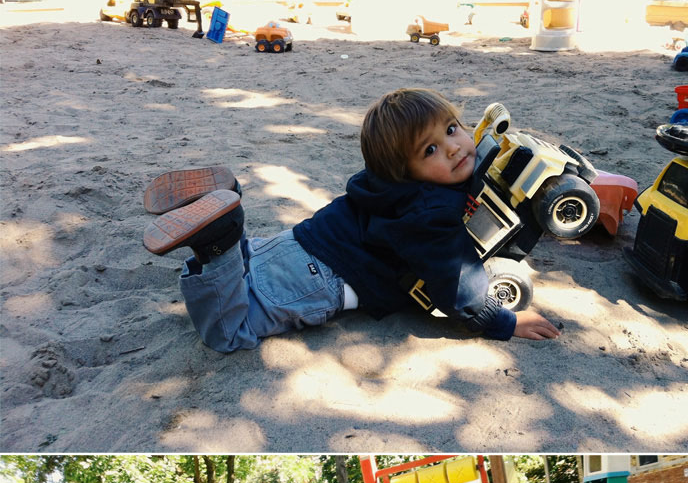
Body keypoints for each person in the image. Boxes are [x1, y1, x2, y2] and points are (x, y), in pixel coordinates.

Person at [141, 87, 561, 353]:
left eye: (452, 129)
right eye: (428, 150)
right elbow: (458, 285)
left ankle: (226, 217)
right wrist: (504, 321)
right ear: (403, 169)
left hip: (293, 243)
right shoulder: (431, 216)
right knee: (229, 333)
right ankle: (219, 242)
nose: (453, 148)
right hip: (320, 277)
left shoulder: (385, 183)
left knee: (247, 279)